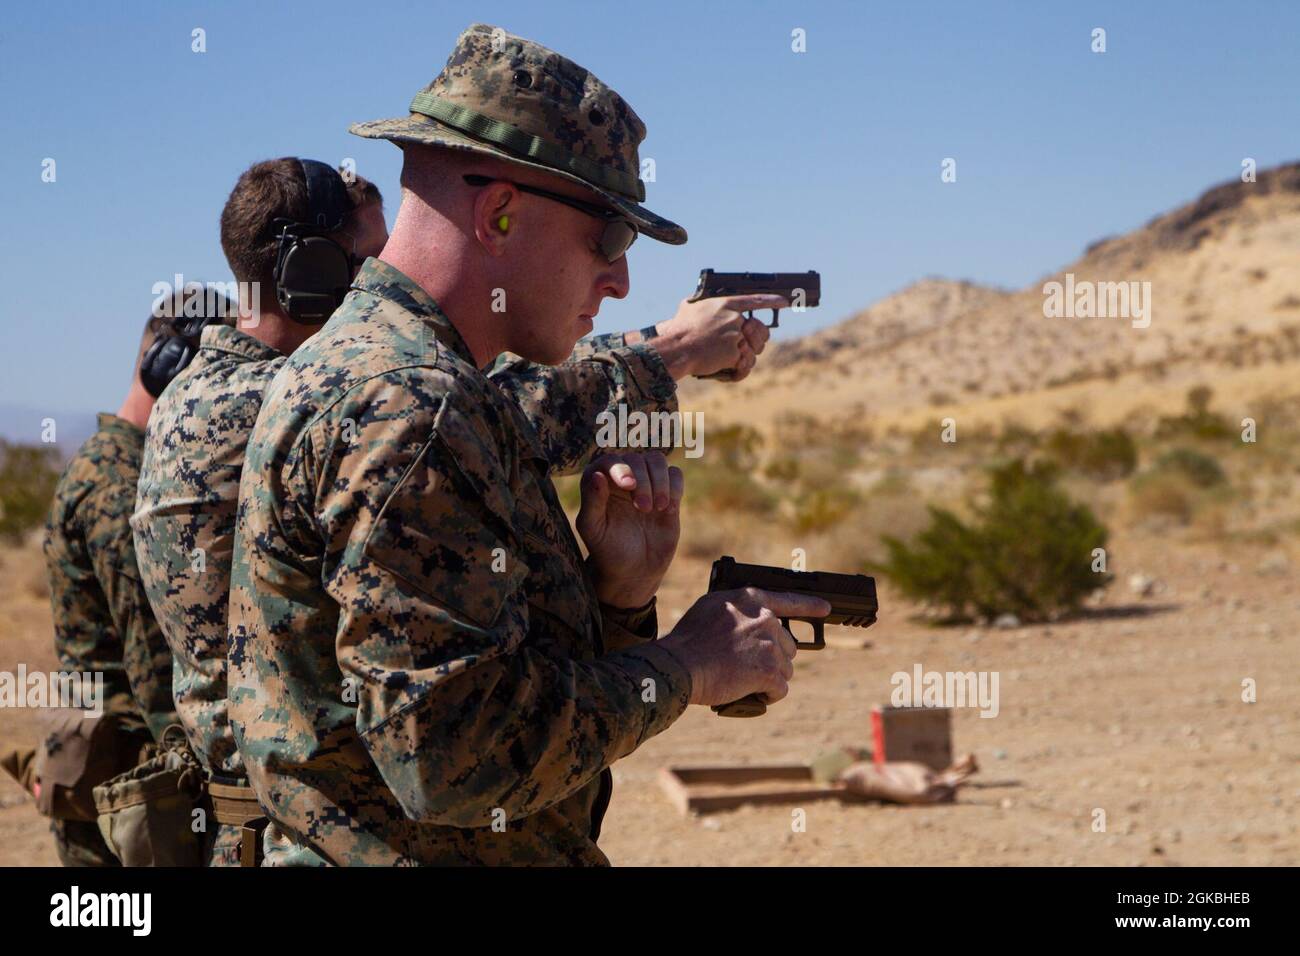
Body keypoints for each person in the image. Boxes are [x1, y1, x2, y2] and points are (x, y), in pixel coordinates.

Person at [227, 22, 827, 866]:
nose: (619, 281)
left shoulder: (411, 377)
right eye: (608, 240)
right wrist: (687, 664)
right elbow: (455, 764)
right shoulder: (410, 405)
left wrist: (617, 598)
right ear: (500, 212)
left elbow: (489, 691)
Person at [40, 289, 225, 865]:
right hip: (122, 787)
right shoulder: (118, 484)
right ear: (169, 366)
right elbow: (153, 664)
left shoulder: (115, 462)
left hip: (112, 775)